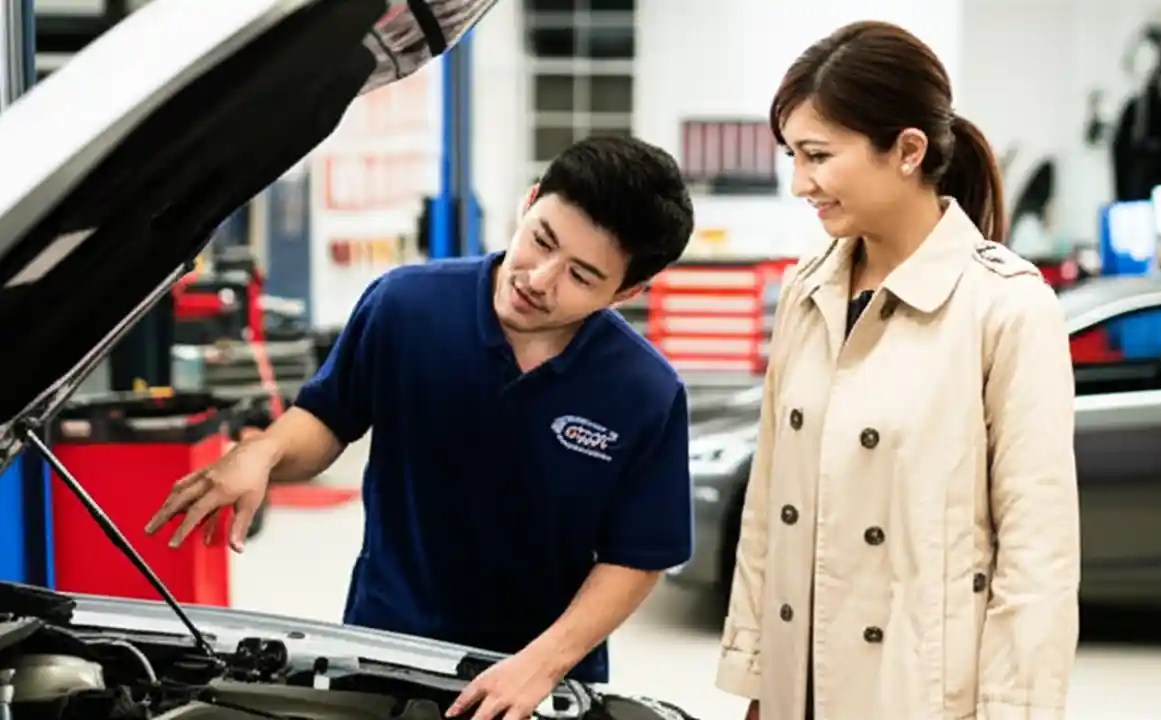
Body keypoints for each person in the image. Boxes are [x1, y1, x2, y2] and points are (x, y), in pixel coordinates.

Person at [145, 135, 698, 720]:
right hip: (382, 651)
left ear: (628, 292)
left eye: (581, 276)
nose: (539, 279)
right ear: (529, 201)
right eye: (541, 239)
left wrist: (543, 663)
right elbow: (328, 420)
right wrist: (264, 452)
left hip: (535, 681)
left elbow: (638, 556)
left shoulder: (646, 391)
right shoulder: (406, 305)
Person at [714, 20, 1080, 720]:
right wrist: (758, 677)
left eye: (817, 155)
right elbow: (768, 510)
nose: (800, 183)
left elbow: (1038, 557)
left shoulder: (1005, 307)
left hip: (920, 696)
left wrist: (1015, 711)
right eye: (792, 155)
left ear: (908, 149)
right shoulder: (807, 290)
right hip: (799, 690)